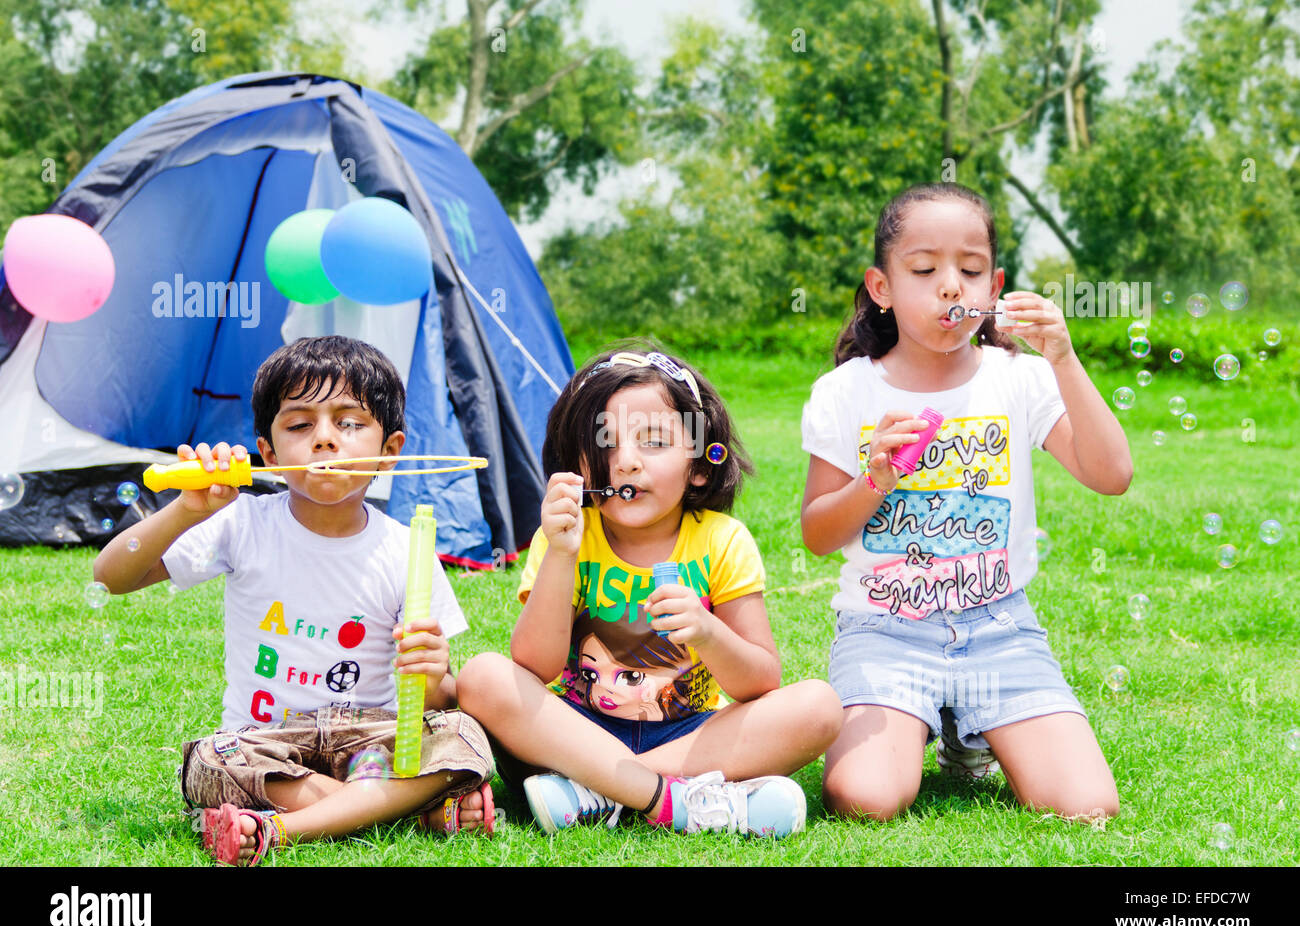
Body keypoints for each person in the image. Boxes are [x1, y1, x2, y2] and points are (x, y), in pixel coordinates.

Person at [92, 336, 495, 865]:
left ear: (390, 451)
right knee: (213, 758)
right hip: (265, 744)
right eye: (300, 425)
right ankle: (402, 810)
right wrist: (188, 510)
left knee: (462, 733)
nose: (324, 440)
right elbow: (112, 575)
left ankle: (280, 830)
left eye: (349, 423)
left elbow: (438, 698)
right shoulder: (242, 522)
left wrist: (433, 675)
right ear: (269, 453)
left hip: (367, 745)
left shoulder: (407, 548)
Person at [800, 182, 1128, 823]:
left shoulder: (1020, 379)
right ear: (881, 287)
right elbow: (816, 533)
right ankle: (924, 719)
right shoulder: (846, 393)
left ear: (994, 285)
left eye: (971, 270)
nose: (951, 286)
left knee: (1088, 805)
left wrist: (1063, 358)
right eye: (924, 269)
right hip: (886, 631)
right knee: (863, 798)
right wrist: (875, 481)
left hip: (1001, 630)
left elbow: (1111, 474)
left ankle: (965, 727)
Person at [457, 346, 843, 837]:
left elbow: (760, 682)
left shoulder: (721, 540)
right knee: (482, 677)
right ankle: (677, 800)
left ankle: (600, 794)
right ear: (577, 462)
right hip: (577, 731)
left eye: (653, 442)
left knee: (818, 706)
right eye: (605, 445)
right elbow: (535, 666)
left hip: (689, 736)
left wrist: (707, 632)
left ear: (700, 465)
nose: (626, 464)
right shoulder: (567, 537)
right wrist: (559, 554)